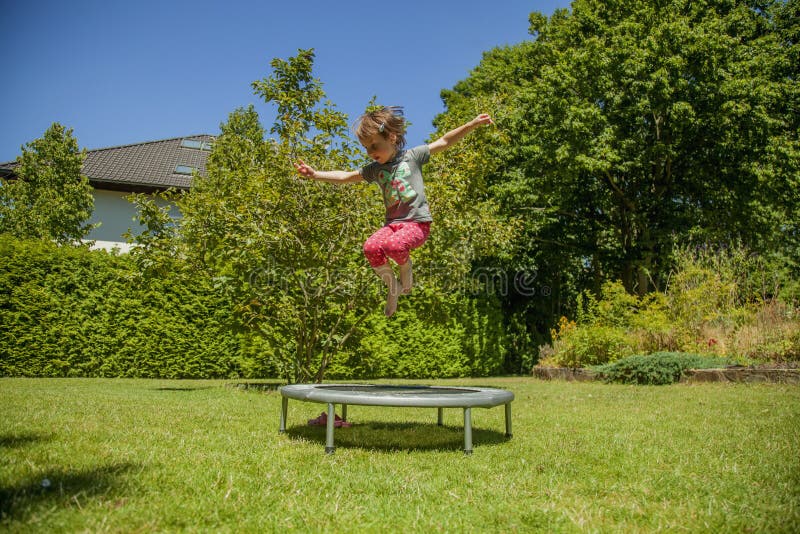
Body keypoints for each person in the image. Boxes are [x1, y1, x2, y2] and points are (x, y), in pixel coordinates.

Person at [295, 106, 493, 317]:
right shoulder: (375, 169)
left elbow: (444, 141)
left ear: (391, 137)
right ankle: (393, 288)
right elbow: (345, 177)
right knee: (371, 248)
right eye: (366, 148)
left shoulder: (413, 156)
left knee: (393, 246)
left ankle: (406, 272)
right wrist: (316, 174)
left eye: (374, 145)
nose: (370, 152)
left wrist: (472, 124)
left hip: (417, 224)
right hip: (392, 226)